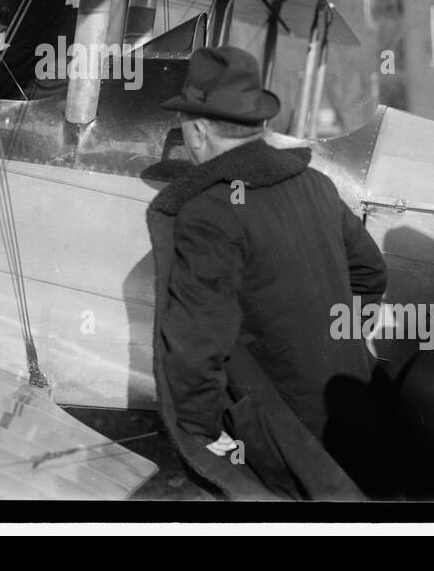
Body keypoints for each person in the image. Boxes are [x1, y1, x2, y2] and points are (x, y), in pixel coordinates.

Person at [146, 45, 392, 498]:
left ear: (199, 131)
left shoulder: (208, 212)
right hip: (351, 403)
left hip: (285, 434)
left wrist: (201, 430)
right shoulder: (315, 183)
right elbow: (370, 273)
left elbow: (198, 341)